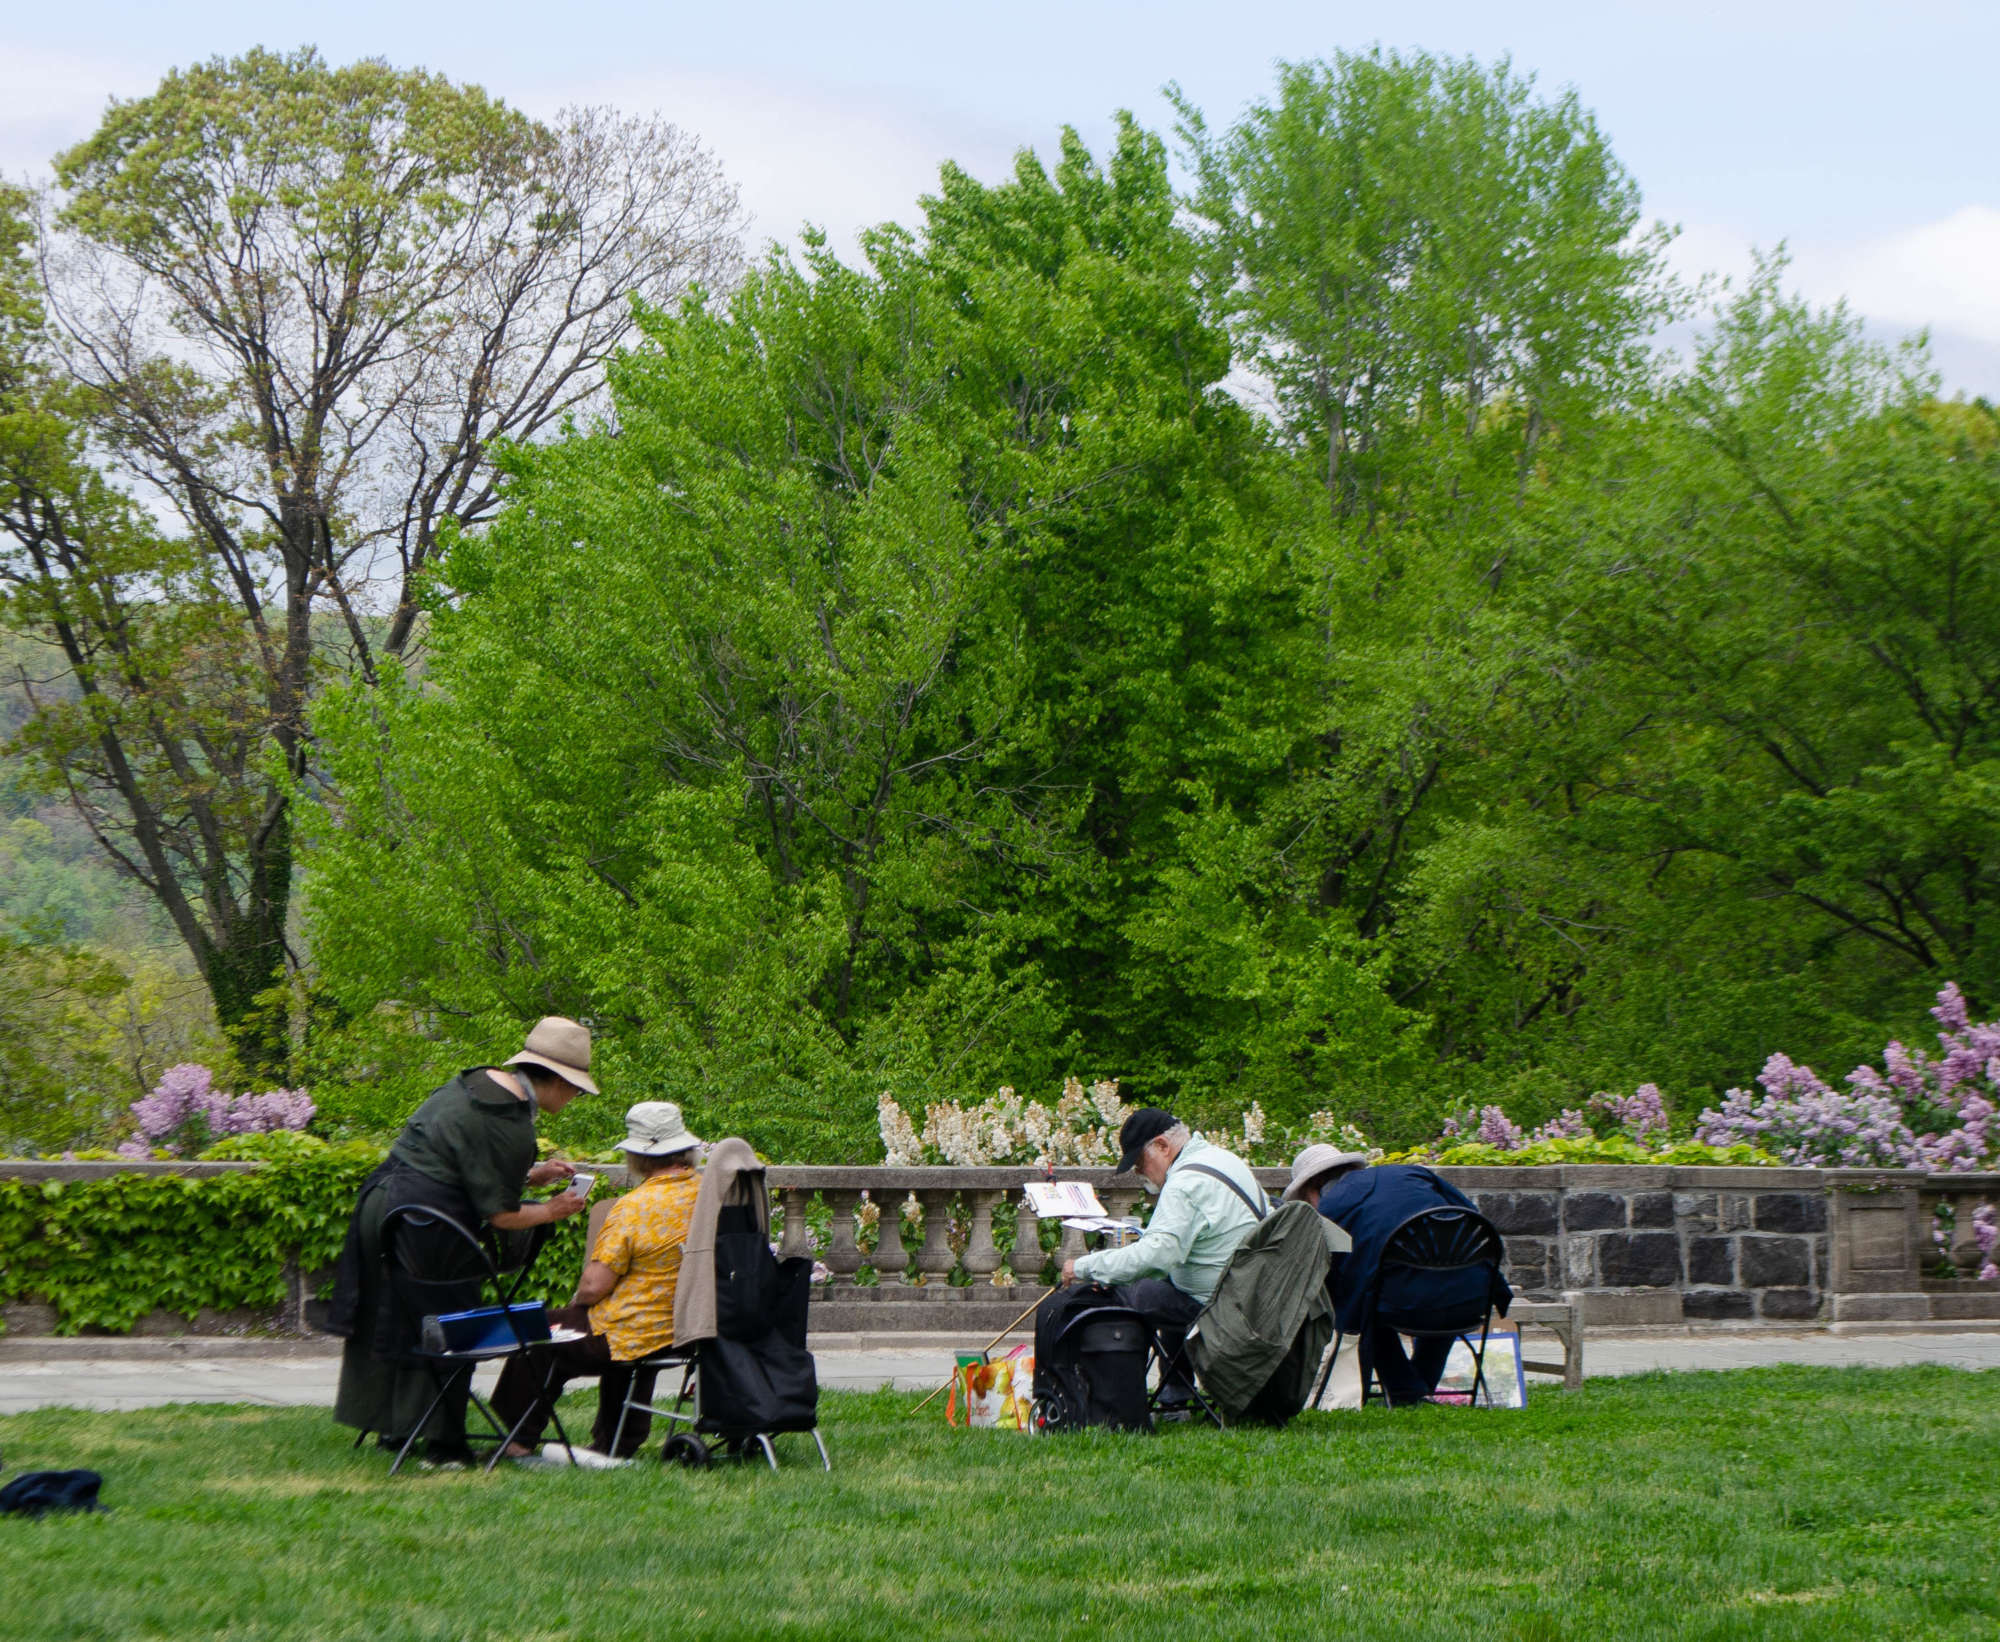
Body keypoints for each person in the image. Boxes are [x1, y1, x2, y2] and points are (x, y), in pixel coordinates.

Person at [328, 1017, 596, 1466]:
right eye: (575, 1089)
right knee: (455, 1325)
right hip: (428, 1224)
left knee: (403, 1318)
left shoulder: (474, 1084)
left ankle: (399, 1429)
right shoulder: (512, 1124)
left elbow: (463, 1166)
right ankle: (444, 1446)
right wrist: (551, 1210)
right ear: (555, 1080)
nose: (574, 1099)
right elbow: (502, 1214)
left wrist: (533, 1174)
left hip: (384, 1206)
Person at [490, 1101, 704, 1466]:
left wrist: (581, 1296)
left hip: (632, 1332)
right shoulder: (706, 1194)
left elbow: (593, 1286)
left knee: (538, 1333)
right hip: (687, 1327)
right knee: (624, 1329)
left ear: (638, 1157)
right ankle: (616, 1442)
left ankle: (517, 1441)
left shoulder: (635, 1206)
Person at [1059, 1108, 1268, 1408]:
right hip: (1251, 1295)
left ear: (1162, 1146)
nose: (1140, 1173)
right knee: (1169, 1283)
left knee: (1135, 1292)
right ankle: (1175, 1389)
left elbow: (1155, 1257)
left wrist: (1084, 1266)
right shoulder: (1223, 1159)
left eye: (1140, 1162)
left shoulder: (1184, 1183)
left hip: (1222, 1307)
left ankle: (1120, 1401)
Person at [1286, 1144, 1512, 1406]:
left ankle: (1406, 1390)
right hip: (1471, 1295)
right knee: (1442, 1283)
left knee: (1358, 1300)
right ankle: (1416, 1386)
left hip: (1403, 1303)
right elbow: (1471, 1215)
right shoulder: (1415, 1175)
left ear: (1314, 1187)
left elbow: (1334, 1280)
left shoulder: (1332, 1207)